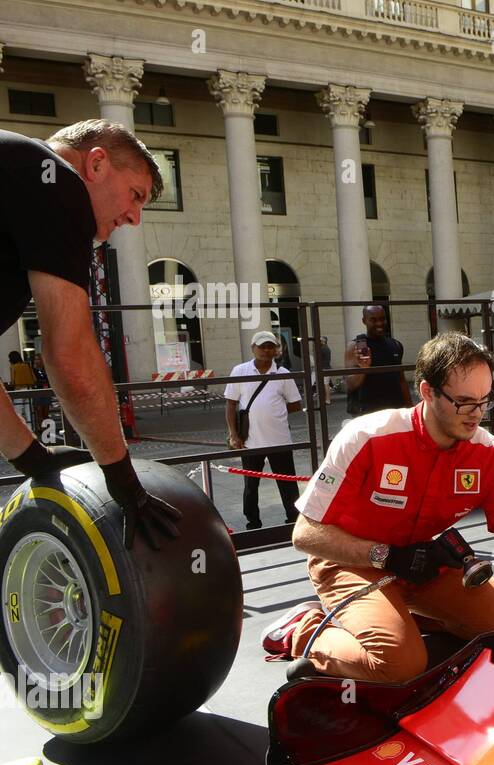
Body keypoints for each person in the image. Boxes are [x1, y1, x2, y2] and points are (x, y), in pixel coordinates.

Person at [262, 333, 494, 684]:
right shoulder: (366, 437)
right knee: (399, 664)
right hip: (349, 563)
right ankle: (302, 631)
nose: (477, 415)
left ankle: (407, 617)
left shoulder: (491, 455)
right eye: (463, 402)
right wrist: (386, 556)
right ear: (427, 391)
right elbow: (304, 535)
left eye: (485, 400)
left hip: (423, 566)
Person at [0, 120, 180, 549]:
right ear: (96, 163)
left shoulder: (22, 179)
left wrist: (33, 458)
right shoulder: (60, 183)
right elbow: (69, 350)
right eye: (135, 195)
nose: (134, 218)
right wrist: (122, 480)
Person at [224, 330, 304, 530]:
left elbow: (295, 404)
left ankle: (293, 520)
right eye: (262, 346)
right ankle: (253, 522)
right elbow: (230, 404)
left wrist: (275, 411)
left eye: (271, 346)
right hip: (250, 439)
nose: (266, 350)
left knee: (288, 483)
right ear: (253, 348)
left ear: (276, 349)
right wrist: (233, 434)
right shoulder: (240, 371)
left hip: (279, 438)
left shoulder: (283, 374)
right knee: (251, 485)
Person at [344, 304, 411, 414]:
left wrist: (409, 408)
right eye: (373, 320)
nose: (379, 323)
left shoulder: (395, 344)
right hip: (367, 412)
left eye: (382, 319)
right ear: (364, 321)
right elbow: (350, 384)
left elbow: (401, 380)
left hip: (394, 410)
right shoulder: (355, 346)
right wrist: (364, 369)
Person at [318, 335, 333, 404]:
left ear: (324, 341)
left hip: (325, 368)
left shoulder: (322, 349)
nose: (319, 341)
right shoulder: (326, 348)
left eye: (320, 340)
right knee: (326, 384)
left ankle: (327, 400)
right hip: (326, 368)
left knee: (326, 384)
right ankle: (327, 399)